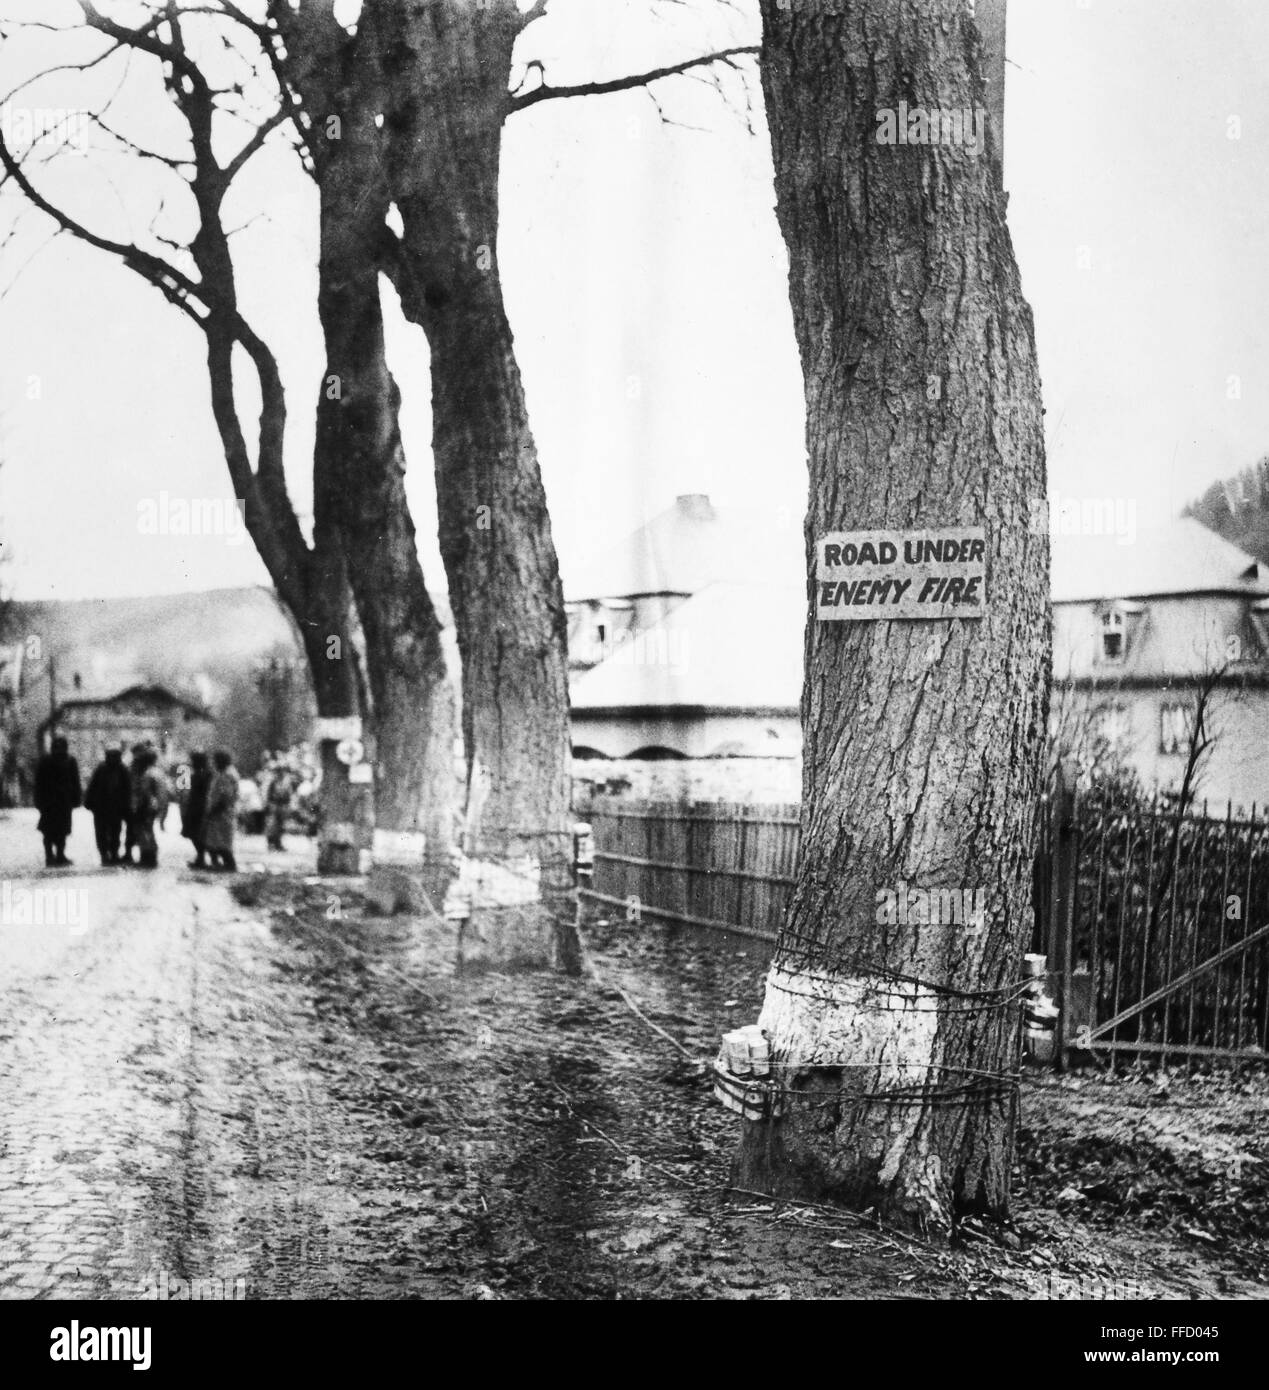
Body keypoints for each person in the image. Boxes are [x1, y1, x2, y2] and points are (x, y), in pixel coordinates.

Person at [34, 736, 82, 868]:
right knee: (48, 831)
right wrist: (39, 801)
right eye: (57, 746)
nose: (59, 749)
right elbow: (39, 783)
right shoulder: (45, 761)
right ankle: (49, 855)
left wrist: (76, 799)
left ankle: (60, 854)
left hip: (64, 802)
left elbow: (75, 781)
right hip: (49, 802)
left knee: (63, 830)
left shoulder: (70, 761)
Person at [83, 743, 132, 866]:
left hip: (116, 807)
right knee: (101, 832)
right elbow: (93, 787)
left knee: (115, 831)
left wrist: (126, 805)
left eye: (115, 756)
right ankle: (104, 854)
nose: (113, 758)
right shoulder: (101, 769)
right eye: (111, 756)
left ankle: (114, 853)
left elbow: (127, 789)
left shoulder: (123, 770)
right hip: (101, 807)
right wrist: (89, 802)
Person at [125, 747, 163, 870]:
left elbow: (146, 793)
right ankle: (148, 857)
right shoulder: (155, 771)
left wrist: (139, 807)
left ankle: (148, 858)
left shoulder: (148, 774)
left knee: (144, 832)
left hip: (146, 807)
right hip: (152, 807)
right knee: (148, 832)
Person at [203, 749, 239, 872]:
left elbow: (225, 796)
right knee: (214, 841)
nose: (213, 763)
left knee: (222, 842)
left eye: (215, 761)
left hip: (222, 814)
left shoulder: (227, 775)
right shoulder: (223, 773)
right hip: (220, 813)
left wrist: (212, 812)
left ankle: (229, 865)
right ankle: (217, 863)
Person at [181, 751, 212, 869]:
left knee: (198, 834)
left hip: (200, 807)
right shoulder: (197, 774)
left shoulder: (206, 774)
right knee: (193, 833)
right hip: (194, 806)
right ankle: (200, 857)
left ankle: (201, 857)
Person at [264, 759, 293, 852]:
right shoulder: (273, 781)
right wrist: (270, 804)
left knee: (281, 826)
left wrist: (287, 805)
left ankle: (278, 844)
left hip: (283, 805)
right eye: (280, 770)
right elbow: (269, 794)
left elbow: (288, 794)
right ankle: (270, 844)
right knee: (272, 826)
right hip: (274, 804)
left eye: (283, 770)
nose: (281, 772)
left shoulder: (286, 781)